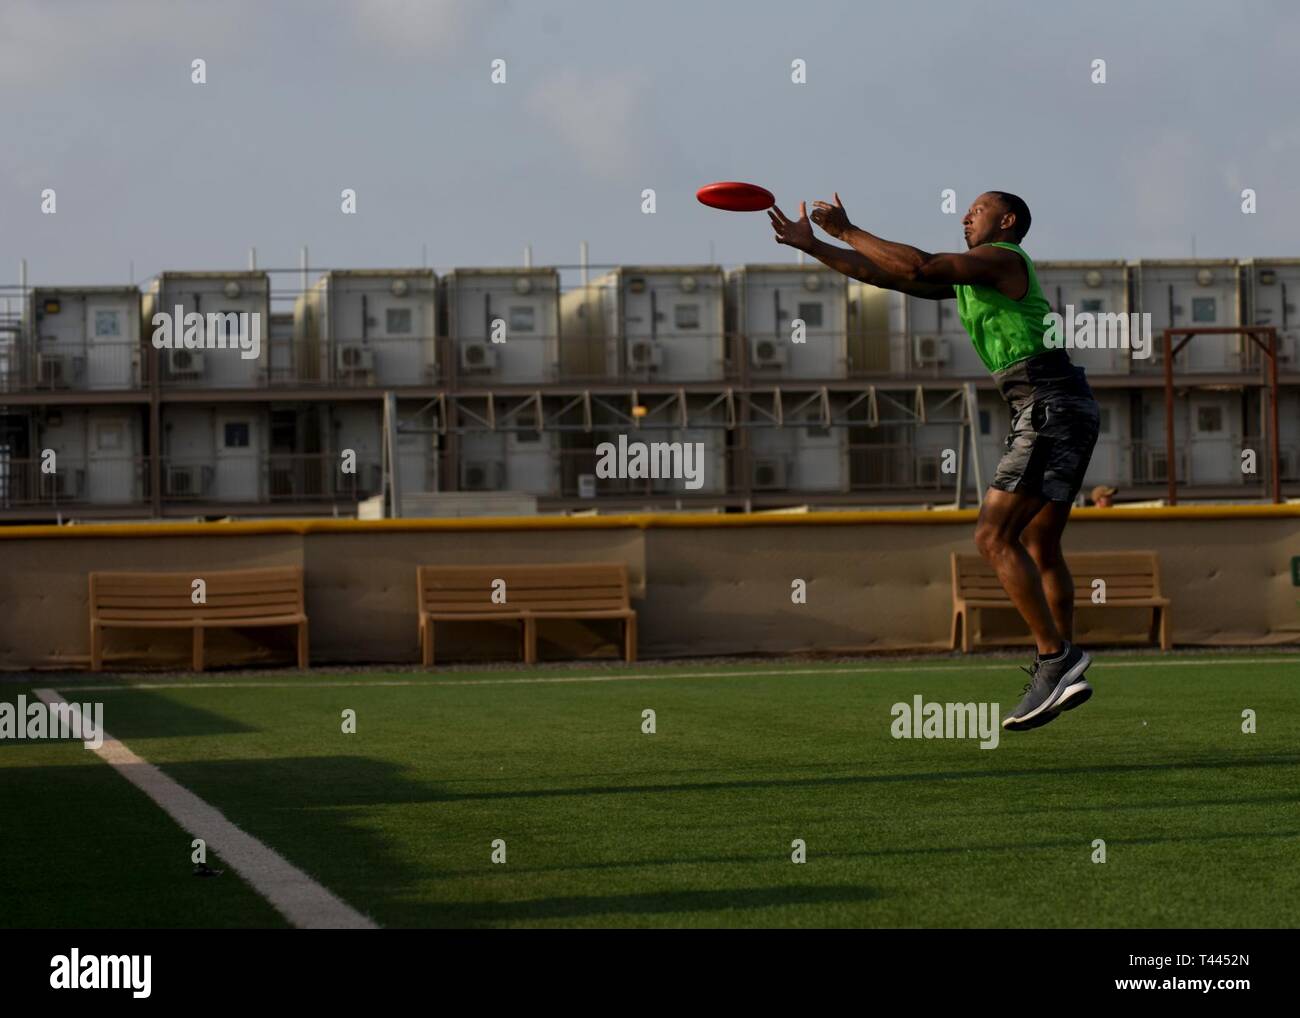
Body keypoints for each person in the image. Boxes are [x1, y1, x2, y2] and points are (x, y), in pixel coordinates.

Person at [769, 191, 1099, 731]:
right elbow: (889, 276)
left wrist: (847, 229)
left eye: (978, 209)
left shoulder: (1004, 258)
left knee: (992, 539)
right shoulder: (975, 277)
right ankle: (1064, 666)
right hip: (1063, 405)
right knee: (1039, 542)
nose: (966, 215)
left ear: (1007, 221)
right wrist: (814, 247)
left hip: (1047, 404)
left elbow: (918, 263)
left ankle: (1057, 661)